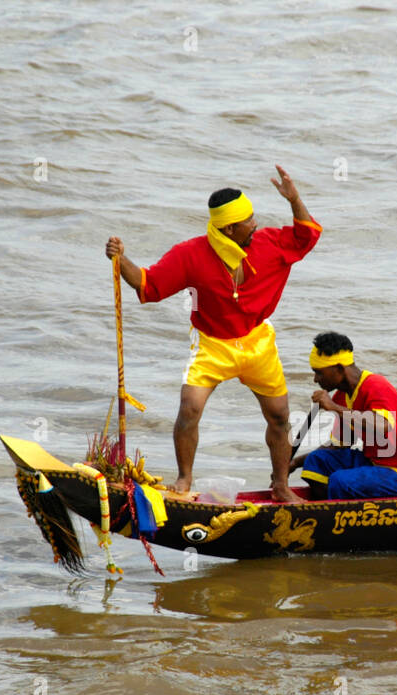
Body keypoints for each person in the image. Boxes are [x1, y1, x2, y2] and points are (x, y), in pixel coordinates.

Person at [104, 166, 321, 502]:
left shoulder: (270, 243)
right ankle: (184, 481)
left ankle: (280, 486)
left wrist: (294, 200)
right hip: (211, 345)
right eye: (249, 220)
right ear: (230, 228)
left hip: (257, 342)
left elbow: (307, 234)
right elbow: (148, 284)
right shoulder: (191, 254)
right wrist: (121, 259)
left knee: (279, 415)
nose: (256, 224)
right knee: (189, 409)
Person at [291, 333, 397, 500]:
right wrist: (293, 463)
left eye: (319, 373)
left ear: (339, 369)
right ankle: (323, 510)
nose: (316, 380)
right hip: (375, 464)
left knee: (340, 480)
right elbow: (338, 445)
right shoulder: (341, 396)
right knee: (316, 461)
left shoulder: (375, 385)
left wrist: (334, 407)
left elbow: (382, 425)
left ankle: (338, 519)